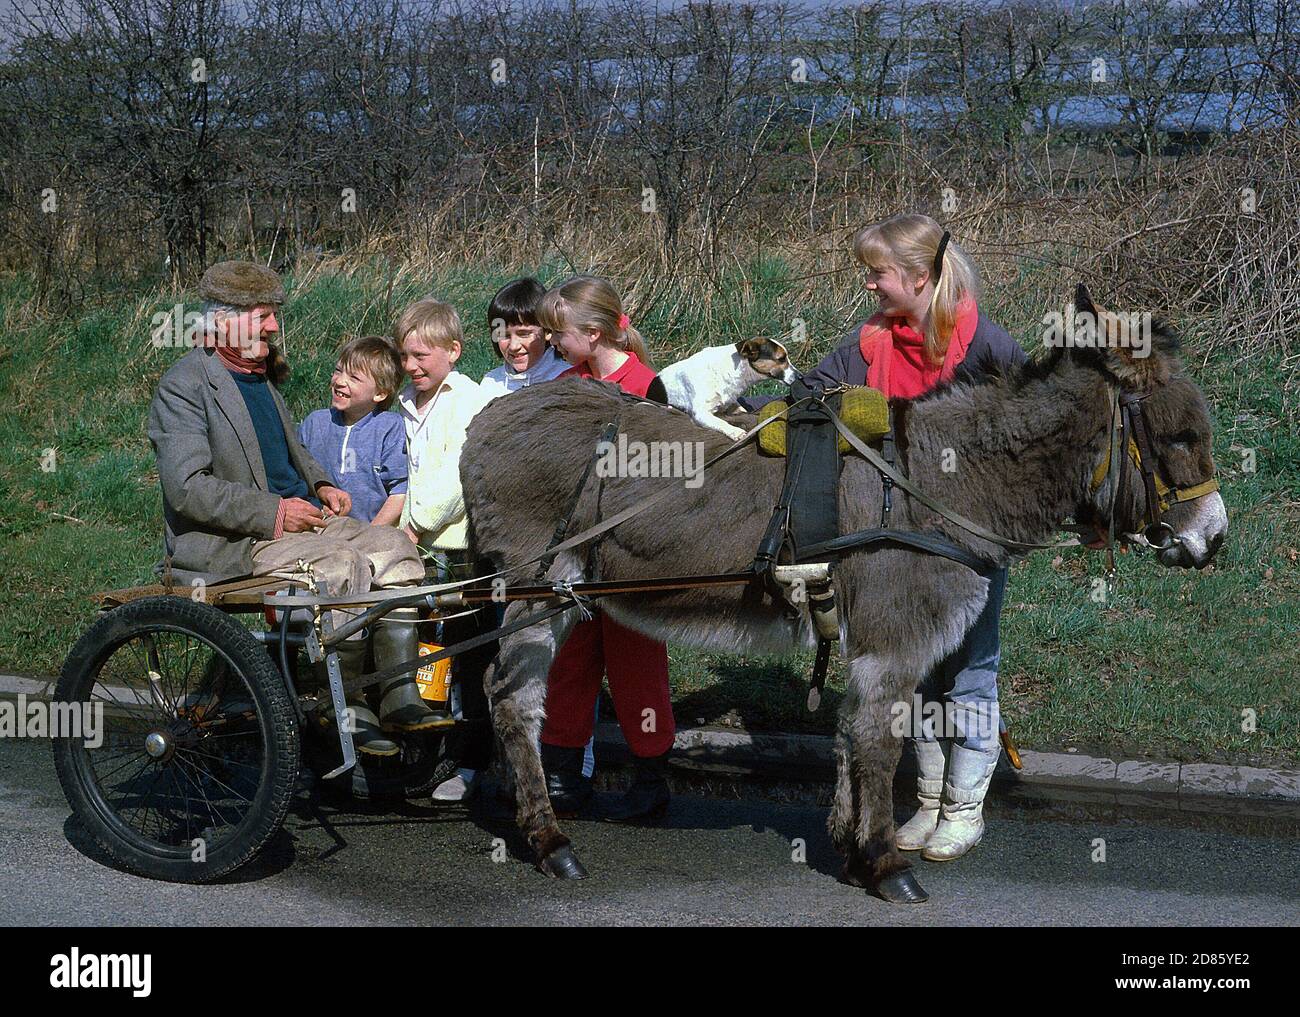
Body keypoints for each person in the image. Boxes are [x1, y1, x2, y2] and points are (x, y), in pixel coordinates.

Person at [744, 213, 1026, 860]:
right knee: (917, 675)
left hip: (971, 546)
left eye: (878, 274)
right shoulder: (869, 342)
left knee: (972, 674)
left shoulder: (987, 344)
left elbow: (1033, 428)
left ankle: (964, 808)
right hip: (893, 546)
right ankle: (927, 801)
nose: (869, 285)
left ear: (919, 277)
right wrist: (763, 413)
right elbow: (812, 389)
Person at [147, 261, 440, 759]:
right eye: (263, 315)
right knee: (339, 565)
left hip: (296, 522)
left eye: (272, 315)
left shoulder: (257, 377)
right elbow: (188, 490)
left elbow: (287, 452)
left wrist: (321, 482)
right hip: (232, 542)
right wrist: (276, 513)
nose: (274, 327)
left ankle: (396, 693)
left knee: (394, 549)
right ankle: (339, 703)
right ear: (224, 320)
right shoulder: (185, 385)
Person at [536, 275, 674, 823]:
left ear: (593, 334)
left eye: (557, 334)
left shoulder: (649, 386)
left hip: (630, 555)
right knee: (569, 662)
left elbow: (669, 474)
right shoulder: (566, 384)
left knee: (637, 665)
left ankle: (651, 779)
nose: (550, 343)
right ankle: (563, 776)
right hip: (574, 552)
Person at [394, 297, 493, 801]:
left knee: (468, 657)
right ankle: (422, 754)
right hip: (412, 552)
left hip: (457, 551)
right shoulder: (407, 405)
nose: (410, 367)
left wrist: (413, 523)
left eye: (421, 358)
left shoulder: (469, 403)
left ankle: (473, 764)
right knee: (421, 653)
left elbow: (460, 473)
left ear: (452, 351)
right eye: (404, 357)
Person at [297, 335, 408, 526]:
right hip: (319, 529)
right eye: (338, 370)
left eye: (354, 378)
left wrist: (372, 533)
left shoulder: (389, 428)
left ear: (380, 393)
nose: (340, 381)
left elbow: (400, 491)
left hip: (371, 530)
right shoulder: (316, 423)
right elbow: (299, 472)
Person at [479, 276, 569, 402]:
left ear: (547, 331)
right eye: (504, 336)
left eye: (524, 334)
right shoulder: (491, 384)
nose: (514, 346)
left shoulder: (566, 379)